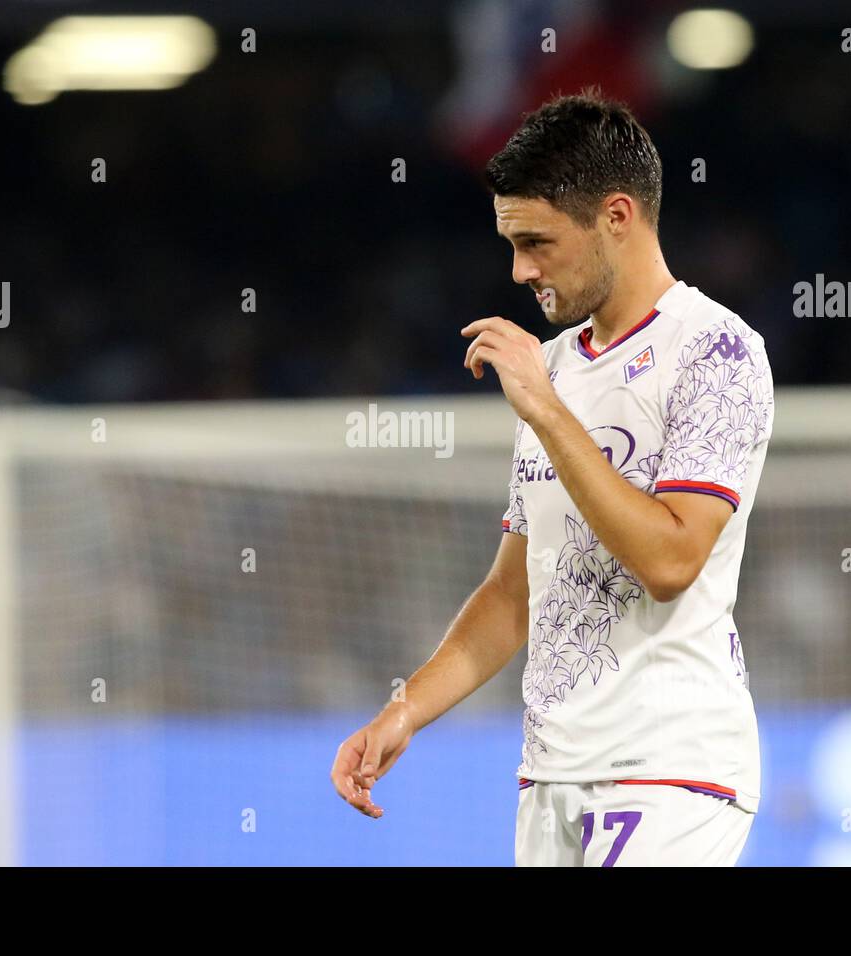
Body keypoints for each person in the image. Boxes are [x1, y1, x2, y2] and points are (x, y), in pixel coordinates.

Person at [331, 89, 774, 866]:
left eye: (536, 242)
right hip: (551, 777)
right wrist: (403, 712)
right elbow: (514, 593)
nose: (519, 270)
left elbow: (671, 562)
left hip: (670, 770)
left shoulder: (717, 352)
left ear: (617, 216)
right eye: (511, 243)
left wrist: (544, 409)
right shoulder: (557, 367)